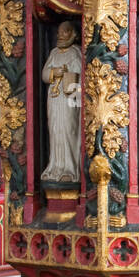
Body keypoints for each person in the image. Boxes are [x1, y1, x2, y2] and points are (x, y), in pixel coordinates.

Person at [41, 21, 82, 182]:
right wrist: (54, 72)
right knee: (55, 130)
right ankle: (55, 167)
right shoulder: (54, 53)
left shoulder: (76, 52)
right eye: (59, 32)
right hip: (54, 99)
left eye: (65, 31)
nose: (60, 35)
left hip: (70, 99)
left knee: (68, 129)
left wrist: (68, 74)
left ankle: (70, 169)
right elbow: (45, 74)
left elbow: (80, 72)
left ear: (73, 34)